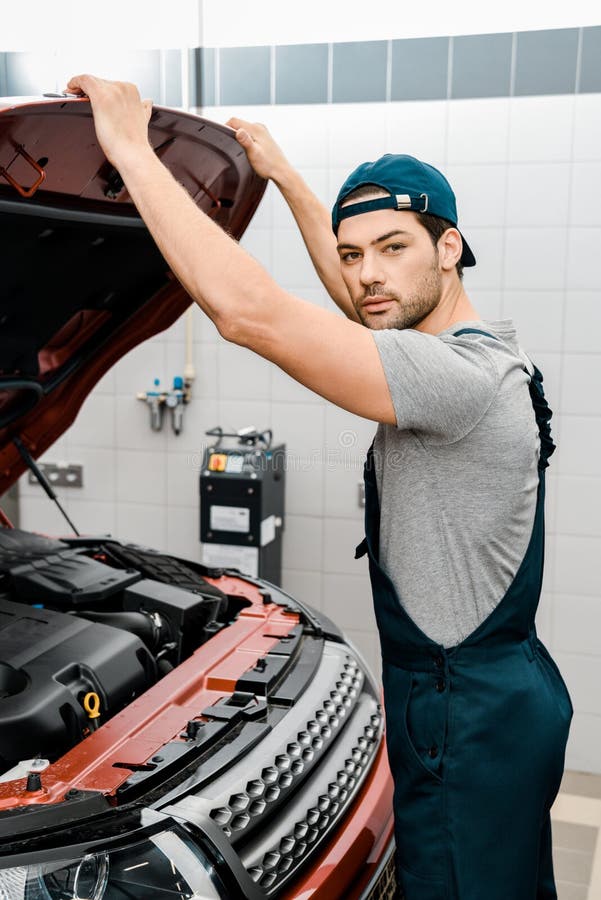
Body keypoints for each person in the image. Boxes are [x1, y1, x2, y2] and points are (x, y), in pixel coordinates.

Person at [65, 75, 573, 900]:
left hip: (463, 719)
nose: (367, 274)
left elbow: (249, 314)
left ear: (450, 246)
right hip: (495, 697)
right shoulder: (480, 349)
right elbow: (368, 303)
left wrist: (128, 146)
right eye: (351, 253)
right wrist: (289, 179)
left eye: (394, 246)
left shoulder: (449, 379)